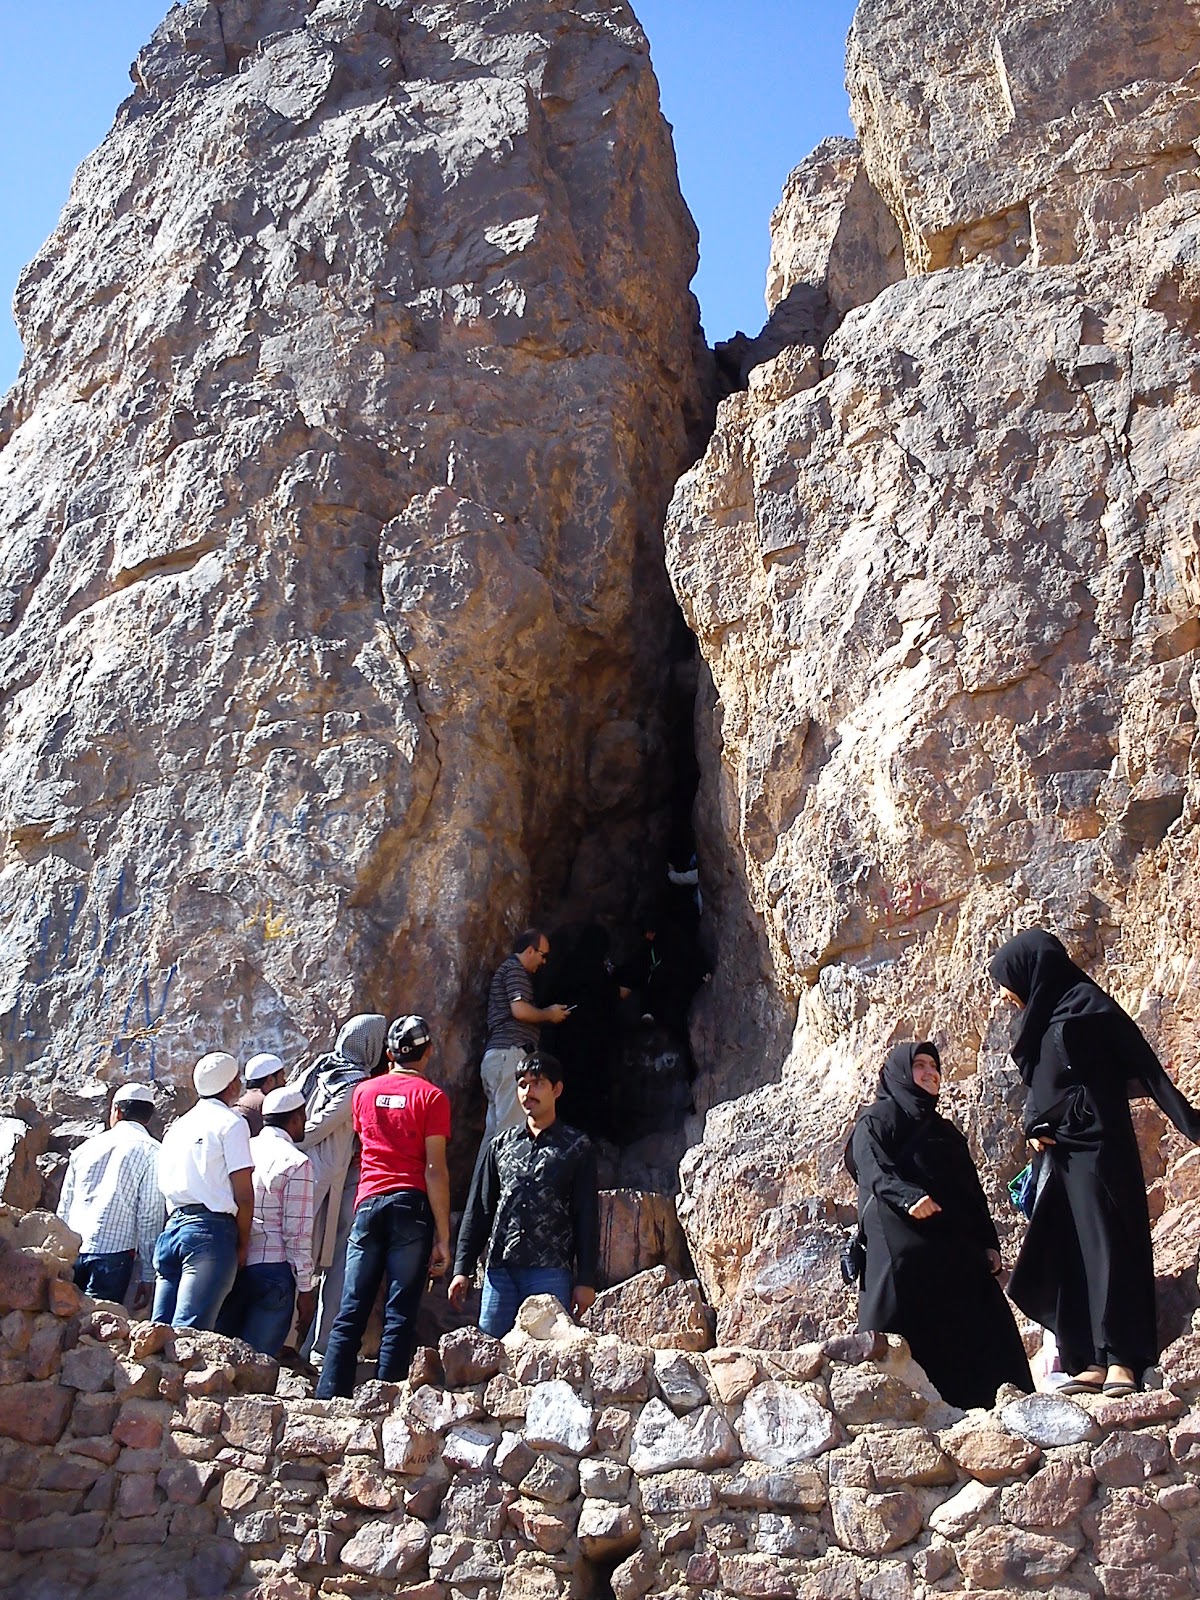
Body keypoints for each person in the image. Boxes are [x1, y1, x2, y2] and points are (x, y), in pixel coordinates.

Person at [989, 927, 1200, 1395]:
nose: (1005, 995)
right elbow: (1041, 1091)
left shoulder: (1088, 1006)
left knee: (1110, 1246)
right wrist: (1035, 1127)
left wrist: (1191, 1124)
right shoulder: (1041, 1021)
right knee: (1073, 1253)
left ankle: (1123, 1357)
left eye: (1006, 980)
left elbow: (1146, 1068)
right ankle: (1089, 1359)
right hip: (1063, 1159)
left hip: (1100, 1150)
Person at [846, 1041, 1032, 1410]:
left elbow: (970, 1192)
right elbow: (872, 1168)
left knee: (985, 1322)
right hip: (903, 1242)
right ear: (899, 1072)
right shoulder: (877, 1119)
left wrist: (988, 1242)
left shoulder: (945, 1131)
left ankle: (1006, 1406)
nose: (930, 1072)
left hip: (953, 1244)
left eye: (934, 1066)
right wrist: (907, 1197)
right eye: (920, 1065)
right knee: (897, 1328)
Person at [315, 1015, 451, 1397]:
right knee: (400, 1309)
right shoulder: (433, 1098)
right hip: (410, 1205)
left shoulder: (363, 1092)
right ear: (428, 1053)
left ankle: (329, 1394)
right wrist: (444, 1235)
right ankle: (384, 1399)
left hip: (368, 1203)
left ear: (389, 1054)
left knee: (352, 1306)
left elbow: (366, 1141)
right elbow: (434, 1169)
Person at [450, 1052, 599, 1338]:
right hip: (500, 1272)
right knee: (490, 1354)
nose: (527, 1092)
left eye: (537, 1083)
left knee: (547, 1360)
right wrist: (462, 1268)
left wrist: (586, 1280)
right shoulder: (500, 1145)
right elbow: (479, 1209)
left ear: (557, 1089)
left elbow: (586, 1214)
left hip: (550, 1271)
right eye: (522, 1084)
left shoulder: (576, 1147)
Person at [296, 1013, 388, 1359]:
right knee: (327, 1261)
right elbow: (319, 1126)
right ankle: (315, 1347)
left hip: (317, 1173)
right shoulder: (355, 1084)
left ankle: (297, 1345)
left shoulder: (320, 1068)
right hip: (326, 1179)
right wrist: (292, 1141)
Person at [152, 1052, 253, 1329]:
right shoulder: (231, 1123)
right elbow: (244, 1193)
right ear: (232, 1086)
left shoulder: (177, 1127)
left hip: (172, 1230)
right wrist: (243, 1244)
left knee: (157, 1334)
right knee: (188, 1335)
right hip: (210, 1233)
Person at [217, 1086, 316, 1357]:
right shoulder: (297, 1162)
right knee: (257, 1364)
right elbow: (297, 1233)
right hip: (273, 1271)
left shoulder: (243, 1149)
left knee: (224, 1358)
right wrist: (306, 1289)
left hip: (234, 1265)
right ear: (295, 1119)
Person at [57, 1083, 164, 1309]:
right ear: (148, 1117)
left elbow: (64, 1206)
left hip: (74, 1249)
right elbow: (149, 1215)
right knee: (99, 1327)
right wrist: (148, 1274)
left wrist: (59, 1255)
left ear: (117, 1111)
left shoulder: (86, 1148)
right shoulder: (152, 1151)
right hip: (115, 1256)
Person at [480, 930, 571, 1145]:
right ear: (530, 950)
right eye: (542, 955)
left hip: (497, 1057)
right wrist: (550, 1014)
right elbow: (519, 1010)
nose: (544, 961)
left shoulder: (510, 970)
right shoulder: (514, 970)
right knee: (510, 1131)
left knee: (493, 1134)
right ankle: (505, 1179)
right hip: (509, 1054)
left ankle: (484, 1179)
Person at [235, 1053, 287, 1137]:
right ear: (270, 1080)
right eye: (282, 1077)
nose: (285, 1082)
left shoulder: (241, 1102)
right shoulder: (270, 1104)